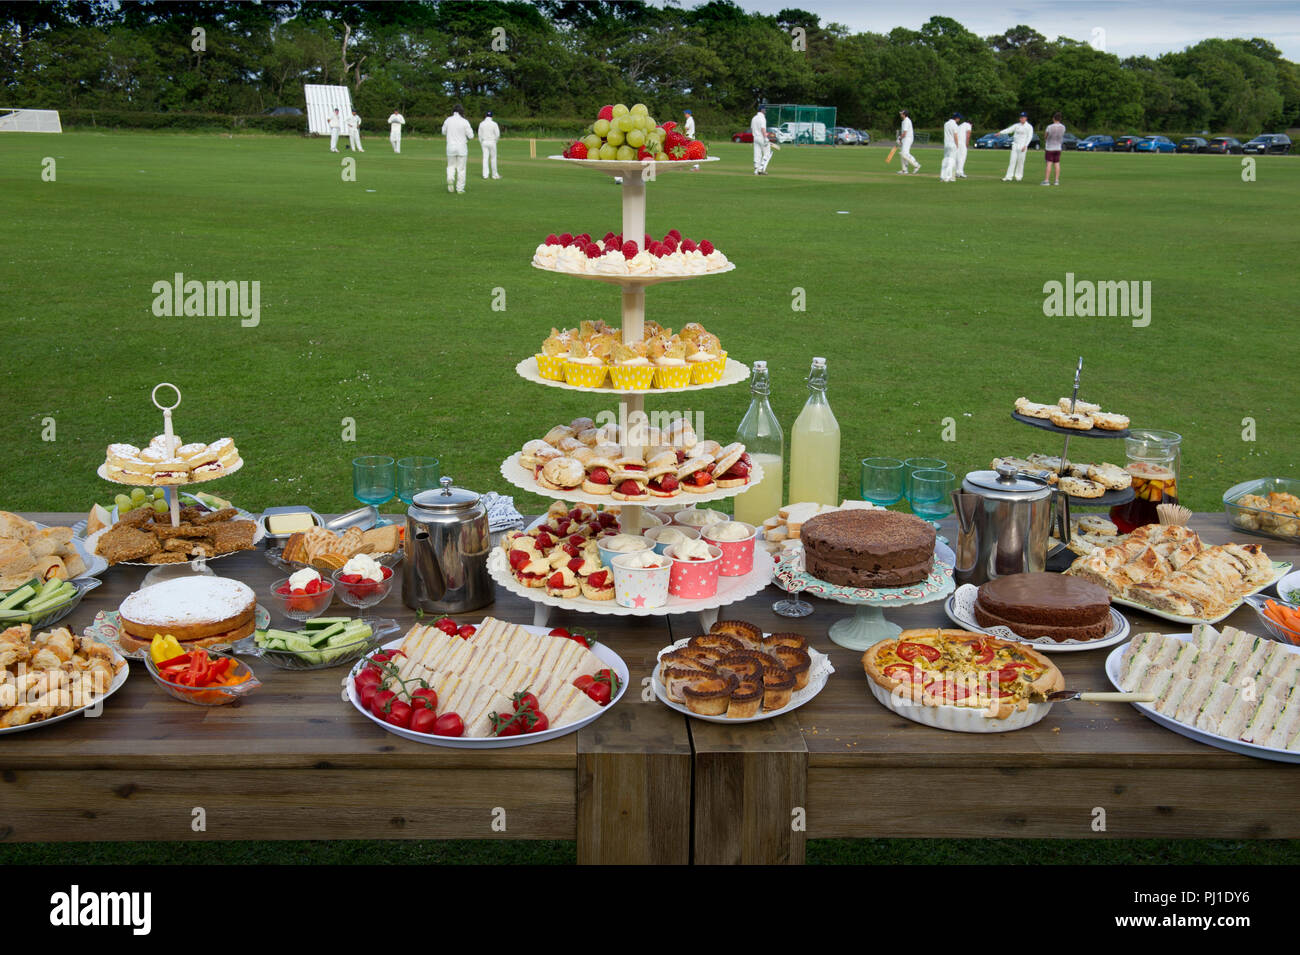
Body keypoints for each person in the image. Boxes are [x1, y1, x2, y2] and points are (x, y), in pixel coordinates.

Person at [441, 104, 474, 194]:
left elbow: (443, 132)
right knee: (461, 169)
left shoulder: (448, 120)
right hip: (462, 148)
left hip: (450, 147)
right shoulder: (464, 121)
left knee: (451, 166)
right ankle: (460, 189)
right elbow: (471, 136)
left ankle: (450, 179)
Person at [999, 111, 1034, 182]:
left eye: (1023, 117)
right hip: (1015, 144)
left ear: (1026, 118)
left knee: (1020, 162)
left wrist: (1026, 145)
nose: (1021, 119)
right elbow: (1009, 130)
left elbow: (1029, 137)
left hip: (1023, 145)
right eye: (1020, 117)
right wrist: (1000, 132)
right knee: (1012, 161)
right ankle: (1008, 177)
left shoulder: (1029, 127)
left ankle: (1018, 176)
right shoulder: (1017, 125)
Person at [1042, 112, 1065, 186]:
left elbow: (1046, 136)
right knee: (1057, 163)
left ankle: (1046, 180)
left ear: (1053, 118)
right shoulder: (1063, 127)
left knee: (1049, 163)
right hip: (1058, 147)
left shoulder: (1050, 127)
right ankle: (1056, 180)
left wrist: (1046, 139)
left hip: (1050, 147)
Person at [478, 110, 501, 180]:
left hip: (484, 142)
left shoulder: (482, 124)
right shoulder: (494, 124)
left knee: (485, 158)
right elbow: (497, 134)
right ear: (492, 116)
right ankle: (494, 175)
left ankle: (485, 175)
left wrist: (481, 142)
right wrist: (495, 141)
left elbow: (479, 134)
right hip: (492, 142)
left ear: (486, 116)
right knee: (493, 158)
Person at [897, 109, 920, 175]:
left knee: (905, 154)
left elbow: (905, 133)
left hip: (908, 139)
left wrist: (899, 138)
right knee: (902, 154)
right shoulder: (904, 121)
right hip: (905, 139)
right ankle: (904, 170)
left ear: (904, 114)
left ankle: (916, 165)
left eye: (901, 113)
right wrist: (901, 140)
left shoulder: (907, 121)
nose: (900, 114)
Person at [750, 106, 771, 175]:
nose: (765, 111)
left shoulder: (754, 118)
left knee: (757, 153)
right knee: (767, 153)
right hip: (761, 137)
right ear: (762, 110)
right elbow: (762, 128)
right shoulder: (762, 118)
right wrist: (765, 137)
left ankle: (756, 170)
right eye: (764, 110)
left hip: (755, 138)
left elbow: (752, 128)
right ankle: (761, 169)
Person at [939, 112, 960, 182]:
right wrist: (957, 145)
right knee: (951, 161)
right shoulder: (955, 125)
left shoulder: (946, 124)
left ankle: (943, 176)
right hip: (952, 144)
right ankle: (948, 177)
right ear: (956, 118)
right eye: (959, 118)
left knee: (945, 160)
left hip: (946, 144)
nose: (959, 120)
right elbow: (955, 136)